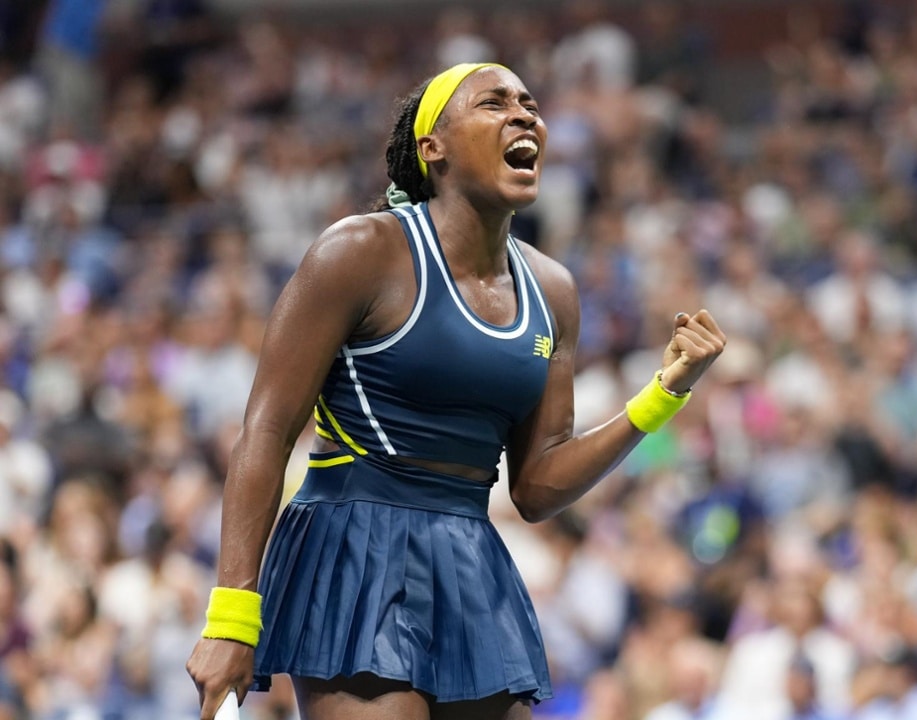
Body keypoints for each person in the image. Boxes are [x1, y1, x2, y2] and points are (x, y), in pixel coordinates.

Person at [184, 62, 726, 720]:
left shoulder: (553, 290)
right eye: (494, 104)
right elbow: (265, 432)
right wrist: (231, 618)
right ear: (431, 147)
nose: (524, 115)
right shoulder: (359, 251)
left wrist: (660, 396)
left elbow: (537, 486)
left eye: (529, 104)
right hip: (355, 545)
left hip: (469, 552)